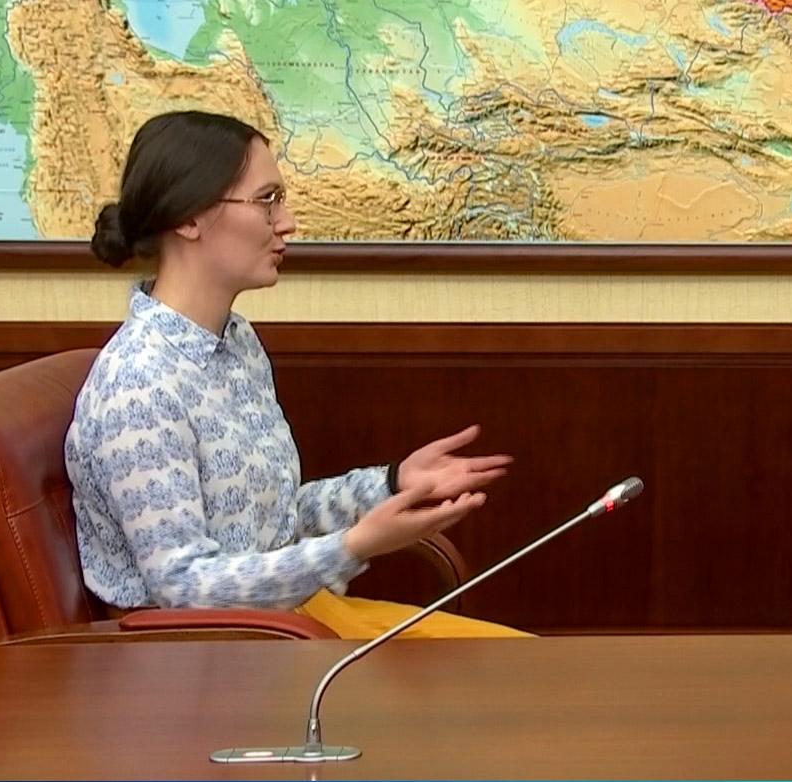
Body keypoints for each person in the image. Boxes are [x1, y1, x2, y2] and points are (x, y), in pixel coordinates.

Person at [68, 110, 523, 638]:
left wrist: (391, 483)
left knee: (514, 661)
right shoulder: (139, 384)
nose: (287, 223)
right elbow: (183, 589)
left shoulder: (235, 342)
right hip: (212, 661)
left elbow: (274, 524)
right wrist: (351, 547)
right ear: (187, 218)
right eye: (267, 201)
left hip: (282, 626)